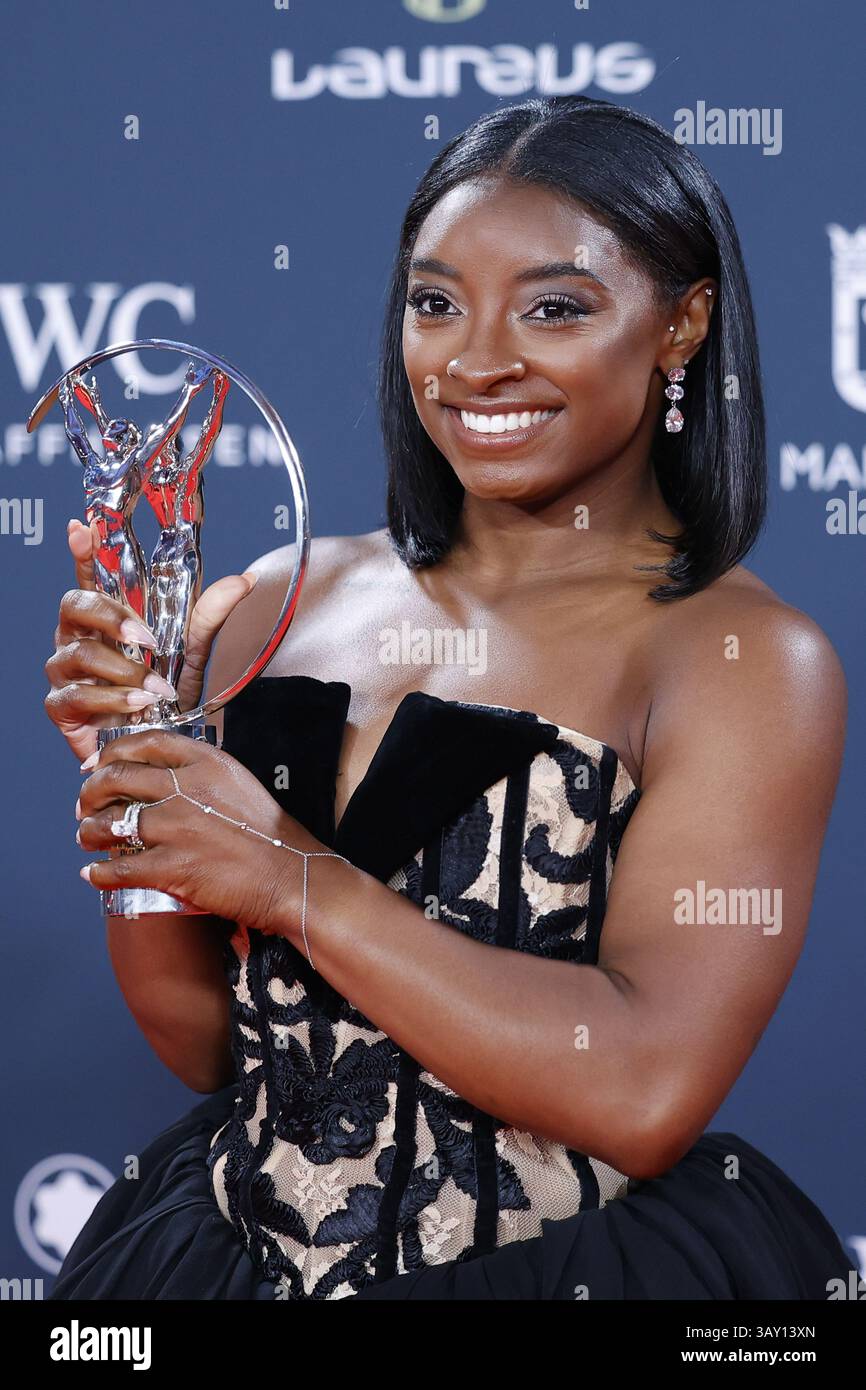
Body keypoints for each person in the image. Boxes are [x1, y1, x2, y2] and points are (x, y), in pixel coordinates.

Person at [45, 96, 857, 1300]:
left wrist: (286, 876)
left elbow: (639, 1090)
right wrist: (134, 772)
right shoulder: (280, 599)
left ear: (680, 323)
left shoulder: (740, 658)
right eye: (435, 302)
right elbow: (207, 1043)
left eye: (555, 307)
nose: (475, 359)